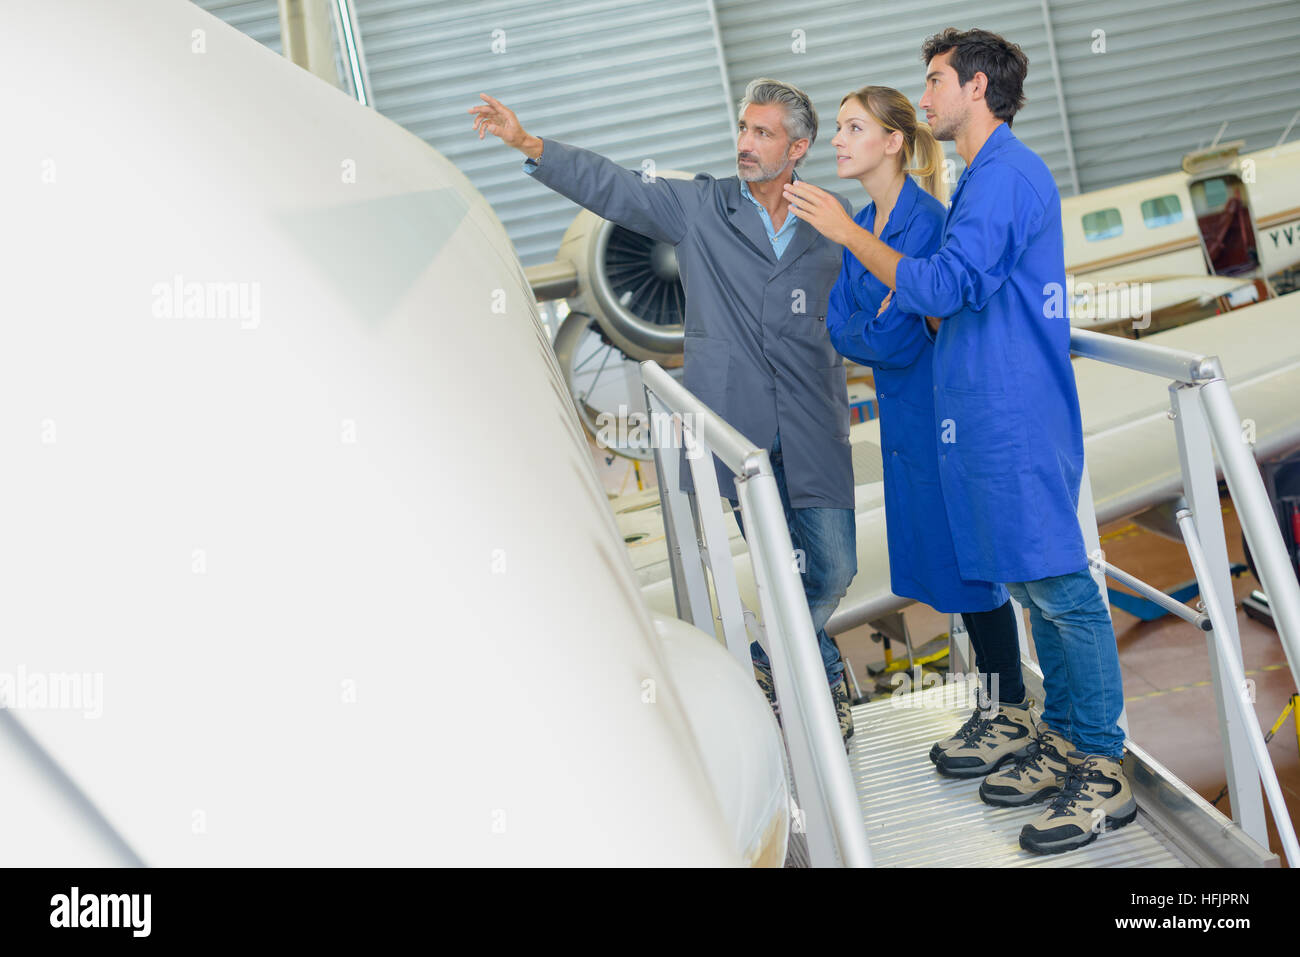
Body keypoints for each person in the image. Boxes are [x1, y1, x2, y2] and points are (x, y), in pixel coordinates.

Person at [785, 28, 1134, 855]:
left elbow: (944, 285)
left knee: (1059, 584)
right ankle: (1064, 735)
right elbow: (901, 314)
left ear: (976, 88)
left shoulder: (1006, 175)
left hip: (1014, 409)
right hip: (984, 410)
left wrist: (846, 234)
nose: (928, 95)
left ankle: (1103, 766)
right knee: (1030, 585)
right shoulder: (984, 177)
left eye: (937, 80)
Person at [469, 79, 860, 746]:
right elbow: (615, 186)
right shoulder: (702, 207)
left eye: (762, 133)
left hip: (813, 418)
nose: (744, 142)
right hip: (738, 430)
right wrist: (529, 142)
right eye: (743, 128)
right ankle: (821, 686)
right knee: (780, 566)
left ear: (798, 148)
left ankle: (773, 662)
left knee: (834, 567)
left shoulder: (831, 217)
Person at [822, 84, 1033, 779]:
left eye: (854, 127)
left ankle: (1010, 709)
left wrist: (884, 319)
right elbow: (845, 328)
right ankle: (997, 707)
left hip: (942, 417)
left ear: (893, 142)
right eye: (838, 128)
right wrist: (884, 316)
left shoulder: (930, 222)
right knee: (947, 565)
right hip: (906, 423)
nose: (838, 140)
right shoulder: (861, 220)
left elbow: (906, 334)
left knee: (974, 572)